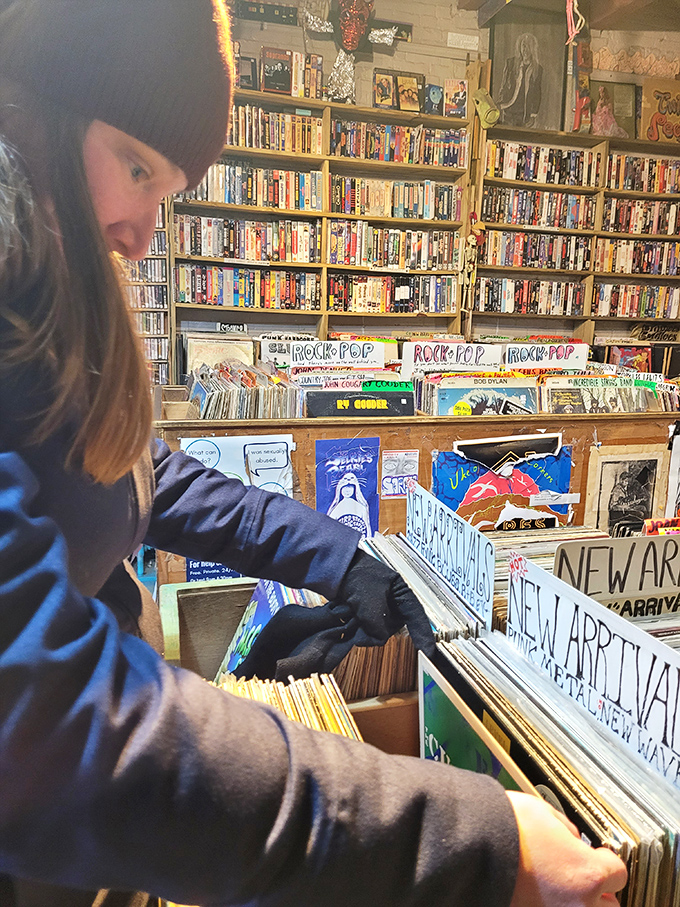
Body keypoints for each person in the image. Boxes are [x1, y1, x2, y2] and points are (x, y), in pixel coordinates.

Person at [0, 2, 628, 906]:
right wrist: (475, 839)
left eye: (164, 190)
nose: (141, 231)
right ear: (34, 105)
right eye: (136, 165)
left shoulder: (43, 290)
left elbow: (143, 473)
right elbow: (51, 724)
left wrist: (345, 561)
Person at [497, 32, 543, 128]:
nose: (525, 50)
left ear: (533, 49)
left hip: (524, 114)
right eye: (523, 46)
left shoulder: (537, 69)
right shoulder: (511, 63)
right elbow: (504, 85)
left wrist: (534, 114)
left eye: (528, 47)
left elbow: (537, 92)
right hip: (508, 108)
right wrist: (500, 103)